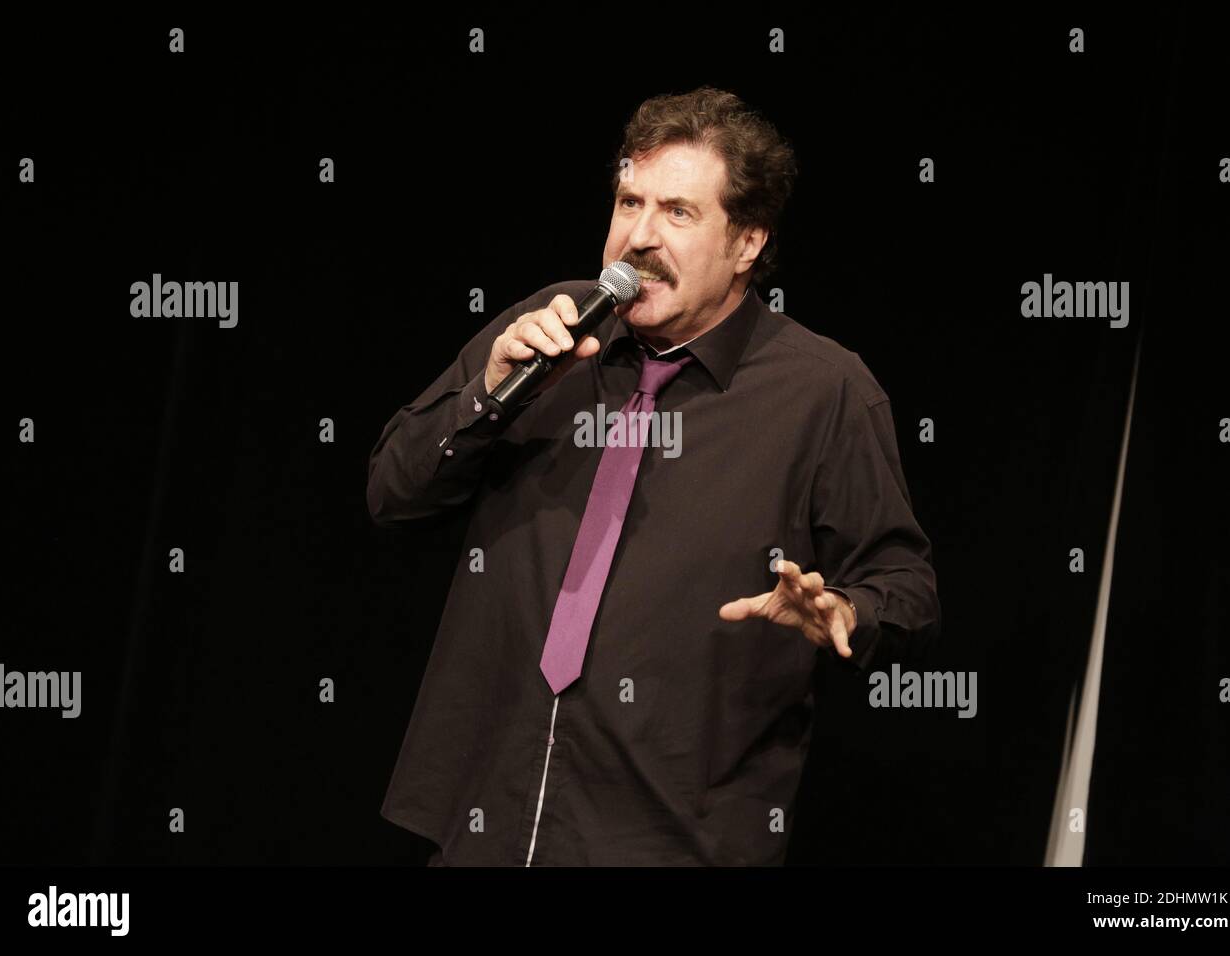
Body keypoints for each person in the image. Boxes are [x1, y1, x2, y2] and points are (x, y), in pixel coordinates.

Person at [367, 87, 940, 866]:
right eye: (628, 201)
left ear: (746, 242)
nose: (636, 238)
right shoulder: (550, 332)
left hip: (669, 839)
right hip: (483, 820)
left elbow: (905, 585)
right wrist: (484, 397)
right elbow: (392, 493)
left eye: (677, 212)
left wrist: (846, 608)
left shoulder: (823, 391)